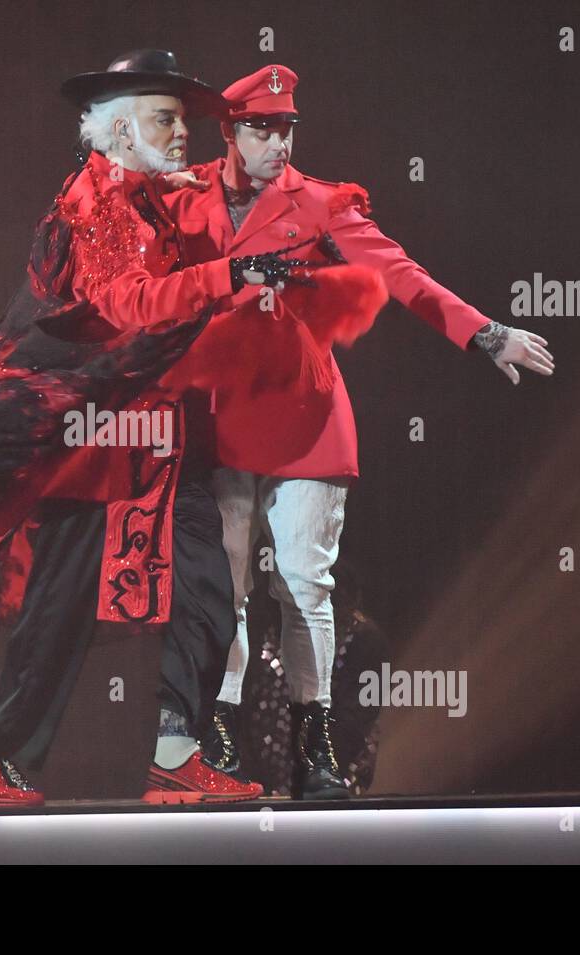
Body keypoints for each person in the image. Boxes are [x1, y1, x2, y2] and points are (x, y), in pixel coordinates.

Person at [0, 51, 313, 806]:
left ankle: (174, 751)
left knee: (206, 592)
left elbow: (238, 193)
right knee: (60, 606)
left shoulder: (161, 197)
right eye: (166, 119)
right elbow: (126, 304)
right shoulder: (90, 203)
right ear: (120, 129)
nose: (183, 132)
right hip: (93, 438)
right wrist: (231, 276)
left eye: (184, 120)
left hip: (160, 439)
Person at [163, 64, 555, 799]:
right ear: (231, 133)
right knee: (225, 582)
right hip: (218, 416)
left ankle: (317, 749)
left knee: (304, 585)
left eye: (287, 129)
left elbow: (399, 272)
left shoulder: (318, 203)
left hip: (306, 418)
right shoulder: (184, 199)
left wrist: (485, 332)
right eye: (263, 129)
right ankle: (213, 736)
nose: (279, 143)